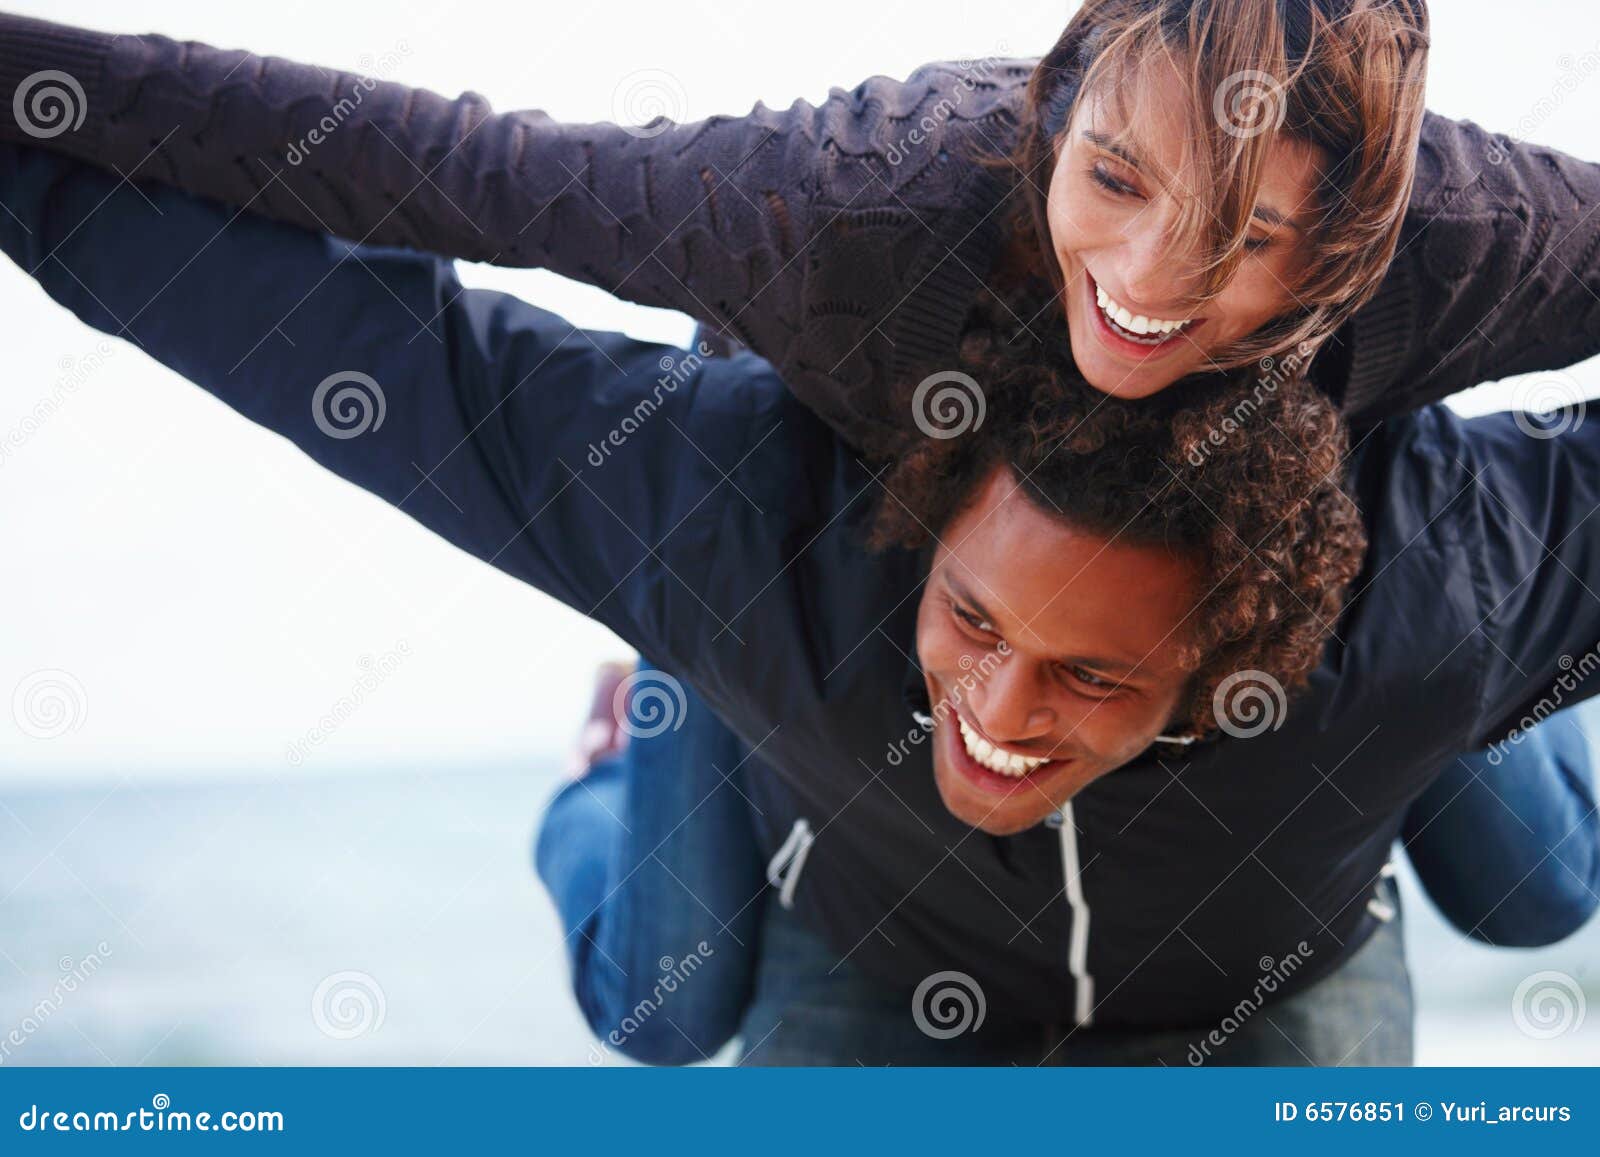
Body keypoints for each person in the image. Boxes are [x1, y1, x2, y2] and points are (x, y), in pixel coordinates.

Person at [4, 139, 1599, 1065]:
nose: (999, 712)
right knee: (661, 1002)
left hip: (1286, 937)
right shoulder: (737, 516)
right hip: (873, 938)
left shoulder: (1423, 592)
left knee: (1537, 891)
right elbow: (345, 334)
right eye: (977, 623)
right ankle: (635, 726)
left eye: (1092, 676)